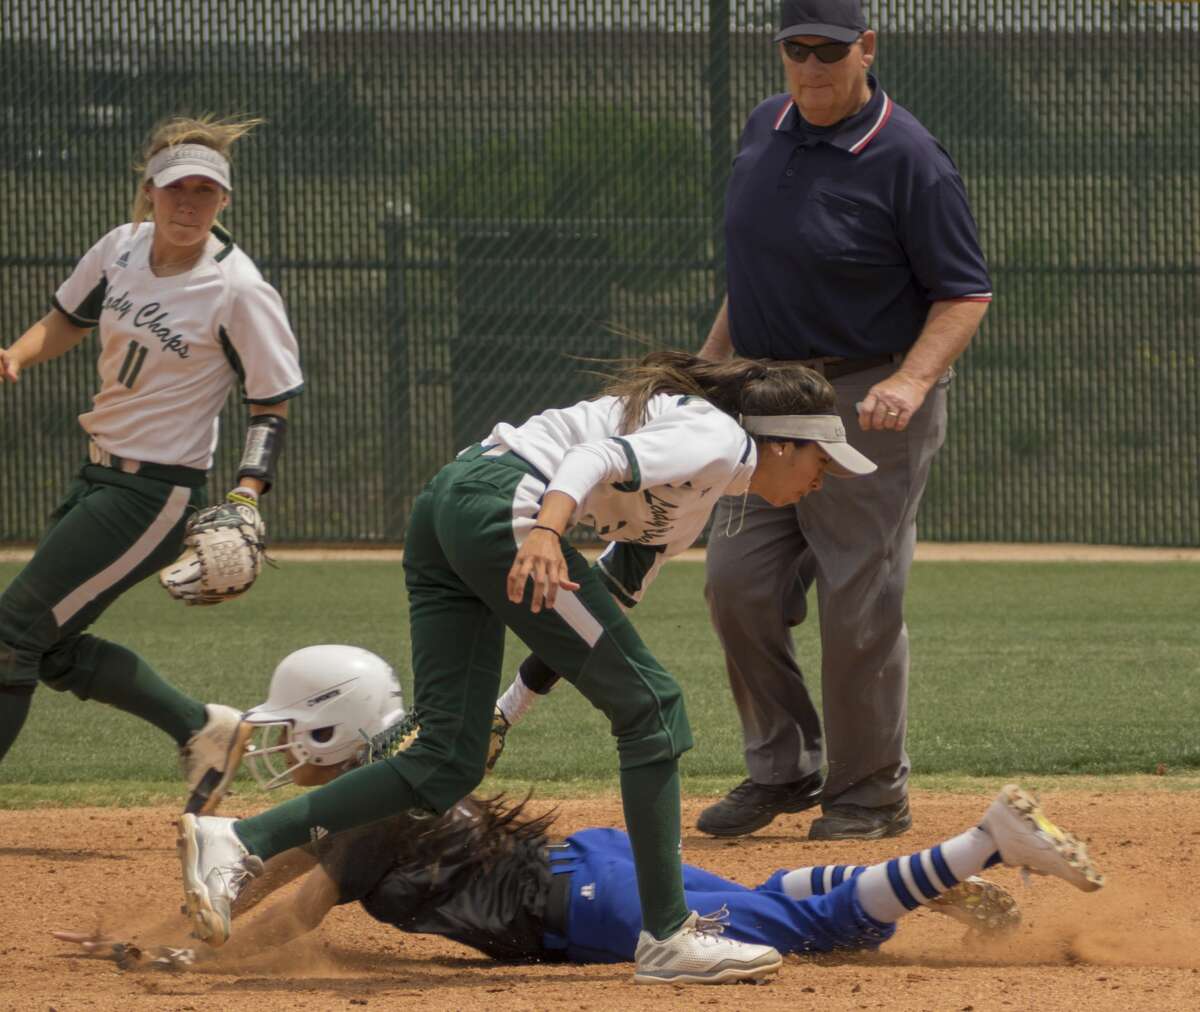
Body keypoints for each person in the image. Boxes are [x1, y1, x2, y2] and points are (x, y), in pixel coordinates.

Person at [175, 349, 880, 985]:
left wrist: (510, 706)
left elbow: (601, 598)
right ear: (783, 443)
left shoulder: (700, 497)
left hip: (451, 505)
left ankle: (239, 838)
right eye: (823, 460)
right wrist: (546, 529)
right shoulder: (717, 438)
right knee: (656, 708)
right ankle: (667, 938)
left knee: (448, 760)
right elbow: (596, 459)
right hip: (503, 503)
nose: (824, 478)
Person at [58, 647, 1103, 973]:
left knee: (811, 929)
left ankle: (980, 845)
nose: (283, 748)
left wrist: (198, 967)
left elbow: (293, 911)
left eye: (295, 731)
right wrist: (150, 936)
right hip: (589, 867)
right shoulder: (398, 775)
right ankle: (941, 881)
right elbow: (263, 873)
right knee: (779, 905)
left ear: (336, 735)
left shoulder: (376, 815)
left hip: (589, 908)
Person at [696, 0, 994, 841]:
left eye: (830, 50)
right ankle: (783, 769)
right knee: (735, 583)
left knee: (857, 601)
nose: (813, 66)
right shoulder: (766, 126)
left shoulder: (908, 157)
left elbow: (965, 292)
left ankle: (869, 793)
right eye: (798, 49)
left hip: (865, 404)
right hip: (765, 402)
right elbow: (755, 274)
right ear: (781, 53)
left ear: (867, 48)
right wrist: (707, 373)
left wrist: (911, 379)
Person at [0, 114, 304, 813]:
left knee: (13, 633)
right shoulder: (121, 249)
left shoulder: (237, 288)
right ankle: (203, 729)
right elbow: (66, 321)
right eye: (177, 190)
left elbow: (272, 402)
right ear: (149, 193)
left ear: (224, 200)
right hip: (95, 476)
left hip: (153, 496)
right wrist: (18, 353)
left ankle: (202, 728)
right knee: (47, 645)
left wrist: (248, 493)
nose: (190, 204)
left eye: (206, 191)